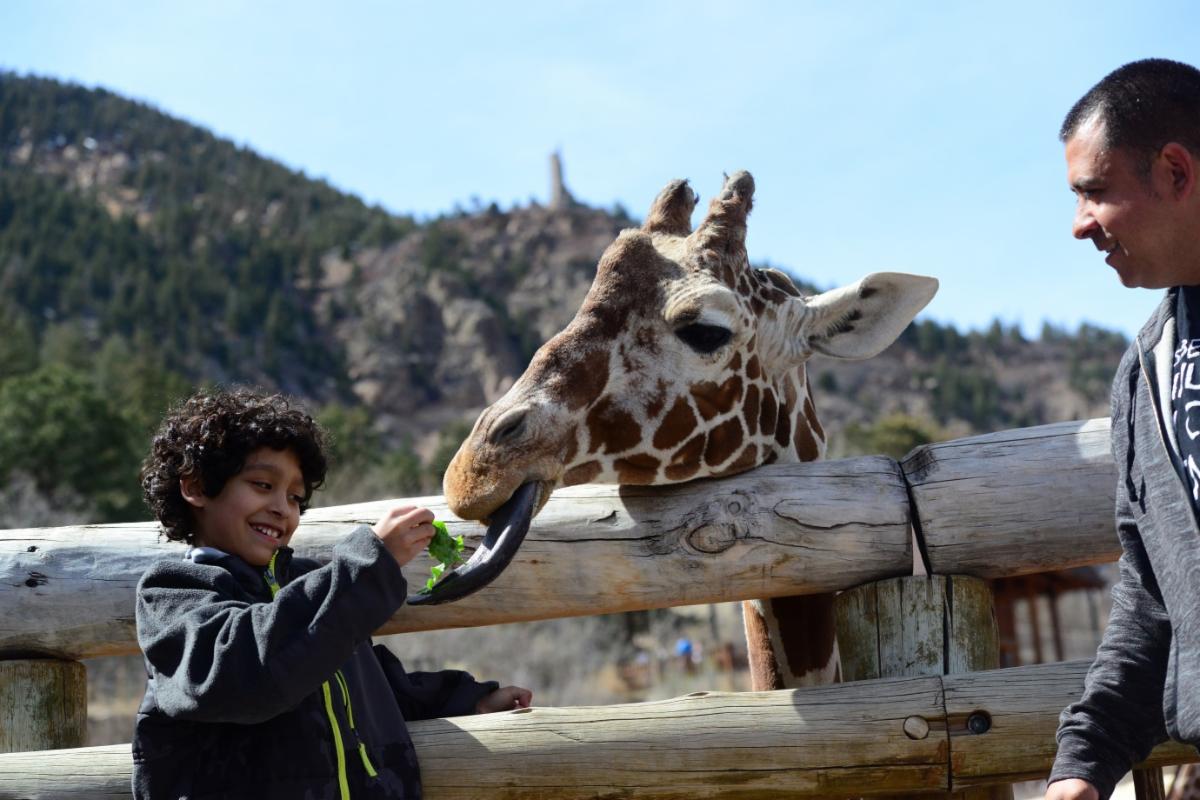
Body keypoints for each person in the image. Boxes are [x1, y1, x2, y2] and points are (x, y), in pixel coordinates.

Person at [131, 388, 532, 799]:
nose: (282, 508)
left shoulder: (311, 585)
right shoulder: (174, 593)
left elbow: (377, 690)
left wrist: (470, 701)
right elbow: (245, 673)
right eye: (262, 484)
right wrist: (367, 566)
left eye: (294, 497)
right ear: (197, 487)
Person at [1047, 58, 1200, 800]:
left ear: (1175, 170)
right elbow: (1151, 602)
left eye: (1095, 193)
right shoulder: (1147, 374)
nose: (1080, 225)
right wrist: (1083, 765)